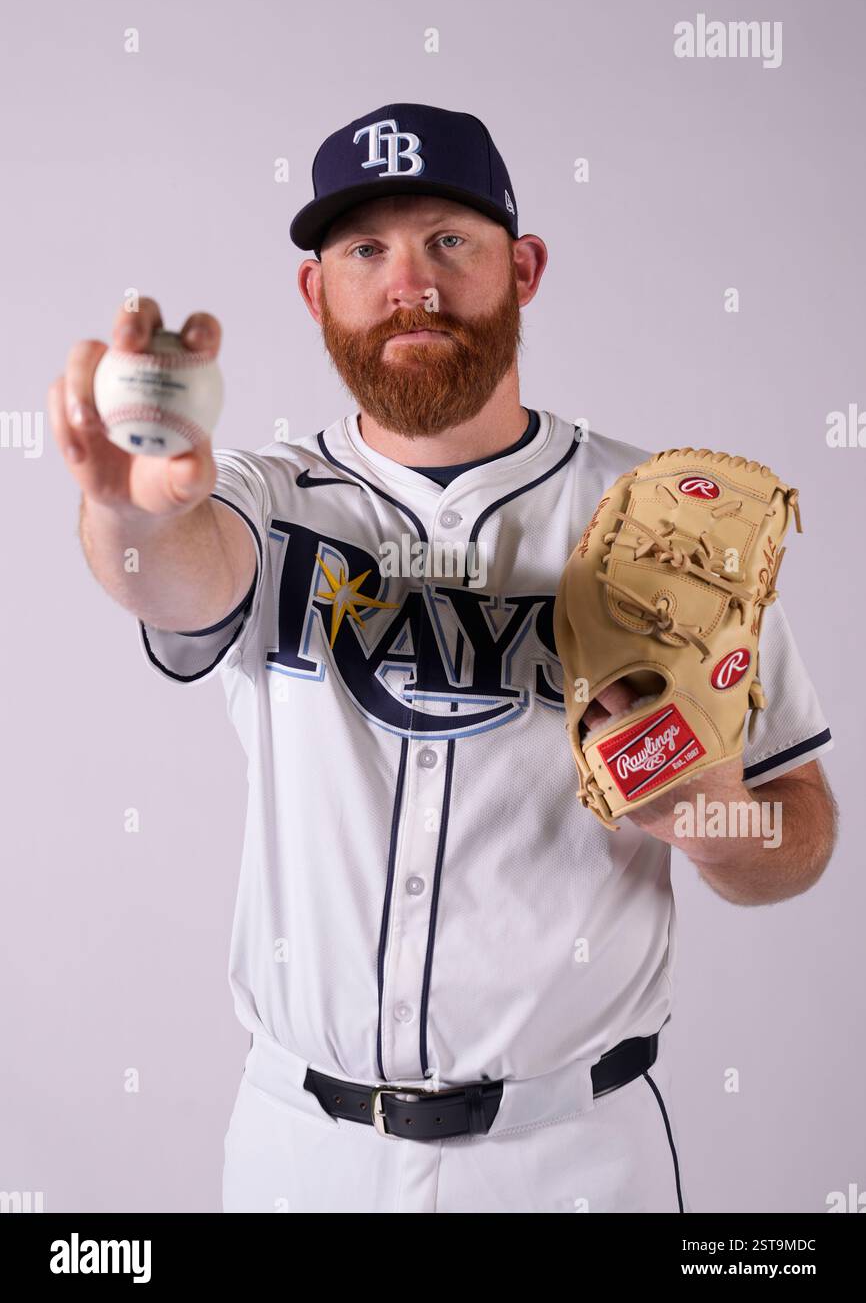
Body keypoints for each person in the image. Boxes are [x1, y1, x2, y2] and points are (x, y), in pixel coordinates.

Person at [48, 102, 836, 1214]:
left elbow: (796, 836)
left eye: (447, 242)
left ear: (522, 268)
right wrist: (133, 505)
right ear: (316, 293)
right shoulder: (266, 499)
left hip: (576, 1154)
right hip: (301, 1157)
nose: (408, 283)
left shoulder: (663, 520)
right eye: (365, 249)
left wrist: (710, 816)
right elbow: (174, 569)